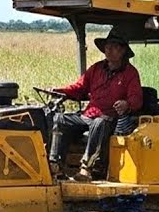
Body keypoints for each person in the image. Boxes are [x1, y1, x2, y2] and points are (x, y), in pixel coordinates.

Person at [49, 32, 142, 181]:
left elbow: (136, 99)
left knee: (100, 122)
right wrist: (59, 91)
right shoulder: (96, 68)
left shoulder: (130, 74)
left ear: (123, 51)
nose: (109, 49)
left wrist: (126, 104)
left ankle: (87, 168)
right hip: (88, 116)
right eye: (107, 46)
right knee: (60, 119)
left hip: (111, 120)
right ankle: (56, 166)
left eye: (114, 47)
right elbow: (79, 88)